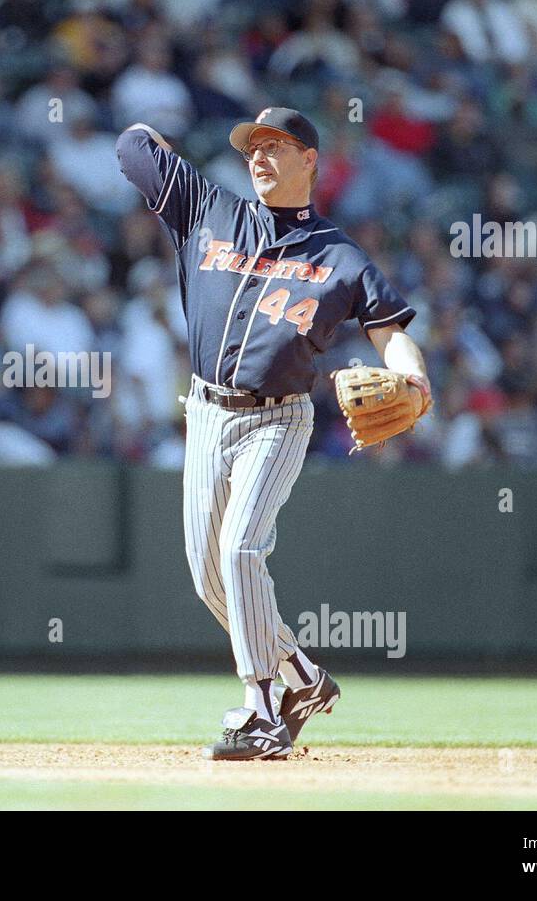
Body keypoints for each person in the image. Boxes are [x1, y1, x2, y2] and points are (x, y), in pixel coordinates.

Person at [116, 106, 432, 760]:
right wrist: (158, 141)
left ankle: (261, 712)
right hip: (205, 414)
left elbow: (391, 333)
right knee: (211, 579)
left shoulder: (339, 256)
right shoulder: (207, 209)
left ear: (310, 160)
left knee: (240, 550)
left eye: (276, 146)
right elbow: (129, 149)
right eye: (252, 147)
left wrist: (414, 380)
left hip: (277, 419)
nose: (258, 156)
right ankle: (303, 678)